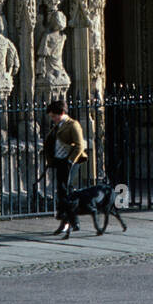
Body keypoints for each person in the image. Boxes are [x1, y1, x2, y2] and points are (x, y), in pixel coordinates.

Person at [43, 99, 87, 234]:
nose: (53, 119)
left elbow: (80, 145)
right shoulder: (57, 126)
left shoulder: (73, 125)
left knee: (65, 192)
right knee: (64, 192)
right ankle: (71, 221)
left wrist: (71, 161)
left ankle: (68, 221)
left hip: (69, 162)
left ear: (61, 113)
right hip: (59, 161)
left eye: (54, 116)